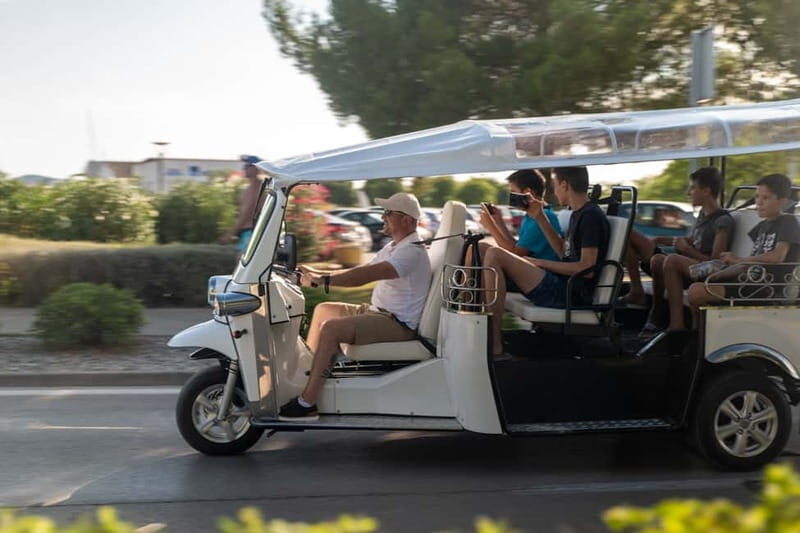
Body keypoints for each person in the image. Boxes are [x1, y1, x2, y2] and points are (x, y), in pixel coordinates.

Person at [278, 192, 432, 421]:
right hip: (377, 313)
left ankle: (308, 402)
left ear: (408, 220)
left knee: (331, 328)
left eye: (390, 213)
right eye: (385, 212)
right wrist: (320, 273)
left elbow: (368, 275)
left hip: (397, 323)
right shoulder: (394, 247)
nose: (384, 217)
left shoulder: (411, 251)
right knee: (324, 309)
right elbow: (359, 270)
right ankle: (311, 376)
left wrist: (325, 280)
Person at [481, 166, 609, 358]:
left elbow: (587, 268)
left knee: (494, 254)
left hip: (569, 294)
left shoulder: (589, 216)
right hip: (561, 285)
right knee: (484, 249)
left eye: (556, 185)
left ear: (565, 185)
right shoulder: (578, 213)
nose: (554, 191)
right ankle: (479, 327)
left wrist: (541, 263)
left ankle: (495, 342)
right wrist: (539, 217)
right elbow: (562, 252)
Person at [639, 167, 735, 333]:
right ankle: (658, 313)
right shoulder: (703, 216)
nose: (689, 192)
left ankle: (677, 325)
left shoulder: (722, 221)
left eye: (692, 188)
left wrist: (687, 251)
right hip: (693, 267)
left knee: (672, 260)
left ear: (706, 191)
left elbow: (715, 262)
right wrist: (660, 239)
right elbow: (692, 241)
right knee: (656, 260)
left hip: (708, 271)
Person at [687, 173, 800, 314]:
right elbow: (750, 263)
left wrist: (739, 260)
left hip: (769, 289)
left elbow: (777, 256)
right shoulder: (762, 226)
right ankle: (699, 331)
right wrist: (722, 273)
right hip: (751, 282)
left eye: (765, 198)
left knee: (697, 292)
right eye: (757, 197)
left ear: (782, 201)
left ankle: (699, 332)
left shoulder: (788, 222)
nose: (759, 202)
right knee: (695, 280)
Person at [476, 169, 562, 261]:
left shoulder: (544, 217)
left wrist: (490, 227)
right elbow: (517, 246)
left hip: (541, 271)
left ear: (527, 193)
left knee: (483, 248)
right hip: (531, 267)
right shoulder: (531, 216)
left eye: (513, 192)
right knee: (481, 248)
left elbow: (516, 254)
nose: (511, 196)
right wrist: (499, 222)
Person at [220, 155, 264, 257]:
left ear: (256, 168)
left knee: (242, 265)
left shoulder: (256, 187)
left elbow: (247, 212)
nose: (244, 168)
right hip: (248, 232)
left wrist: (231, 233)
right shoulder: (250, 187)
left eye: (248, 166)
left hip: (251, 232)